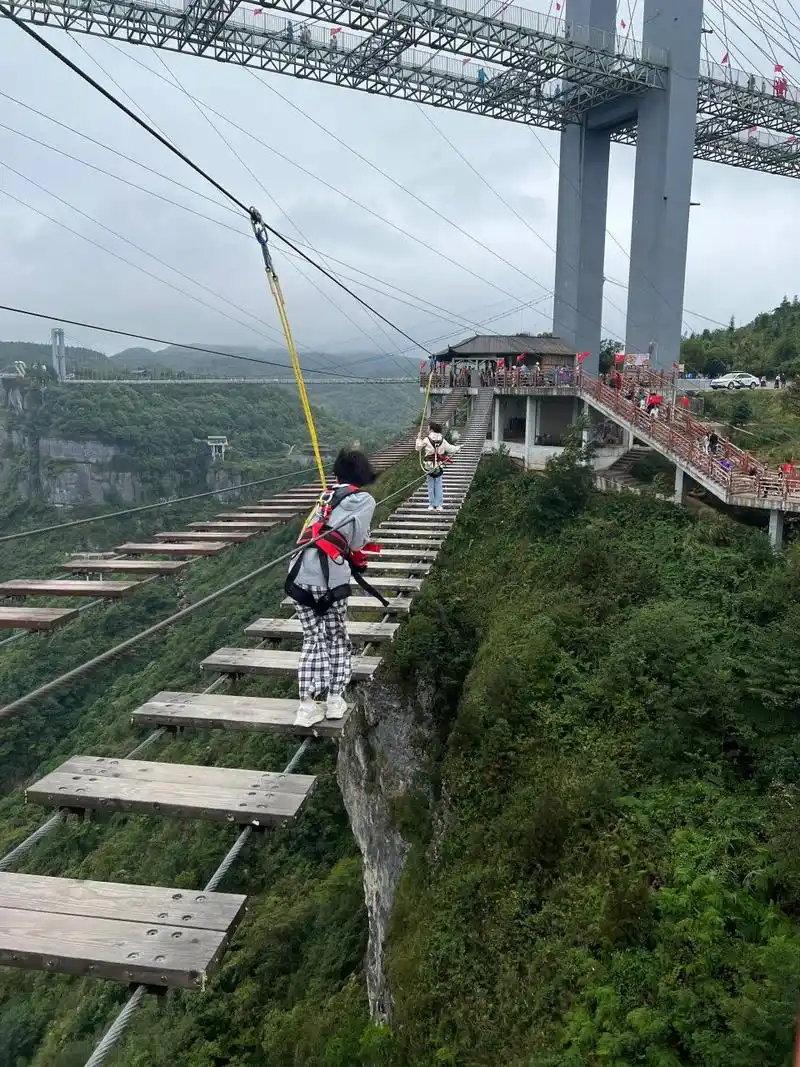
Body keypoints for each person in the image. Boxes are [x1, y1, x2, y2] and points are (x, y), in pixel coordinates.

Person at [284, 449, 380, 728]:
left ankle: (307, 704)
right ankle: (335, 698)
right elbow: (358, 542)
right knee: (336, 636)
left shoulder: (325, 495)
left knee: (313, 638)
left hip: (299, 574)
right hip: (332, 580)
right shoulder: (364, 499)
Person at [416, 420, 460, 511]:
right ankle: (439, 505)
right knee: (439, 484)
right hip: (439, 465)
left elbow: (418, 448)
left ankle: (431, 505)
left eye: (428, 427)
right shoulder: (442, 439)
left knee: (431, 485)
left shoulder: (427, 439)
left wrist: (418, 438)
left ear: (431, 429)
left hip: (429, 465)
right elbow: (450, 448)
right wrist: (458, 447)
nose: (427, 429)